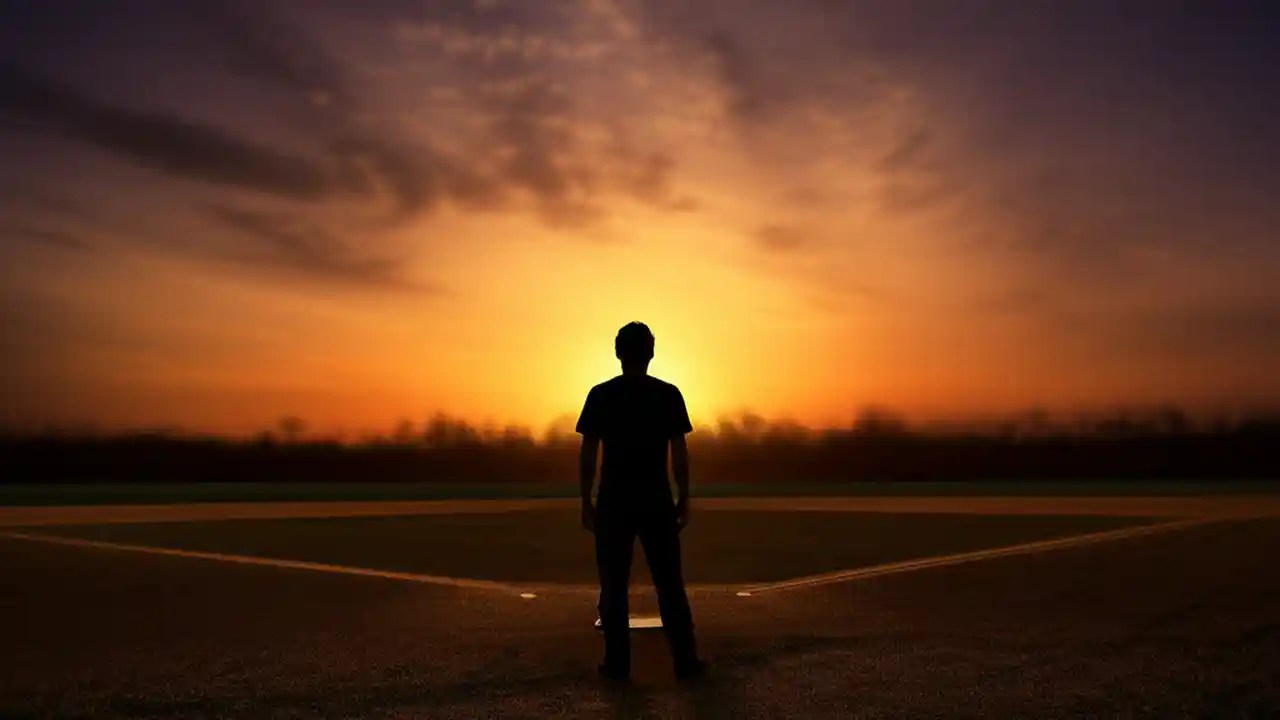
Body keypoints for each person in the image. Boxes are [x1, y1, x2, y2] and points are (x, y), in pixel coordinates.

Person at [577, 321, 705, 681]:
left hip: (615, 499)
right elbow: (678, 453)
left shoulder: (600, 395)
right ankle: (685, 660)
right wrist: (684, 496)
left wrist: (586, 500)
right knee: (669, 582)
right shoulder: (668, 395)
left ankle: (617, 664)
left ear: (618, 352)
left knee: (613, 584)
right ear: (650, 352)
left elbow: (589, 454)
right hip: (655, 497)